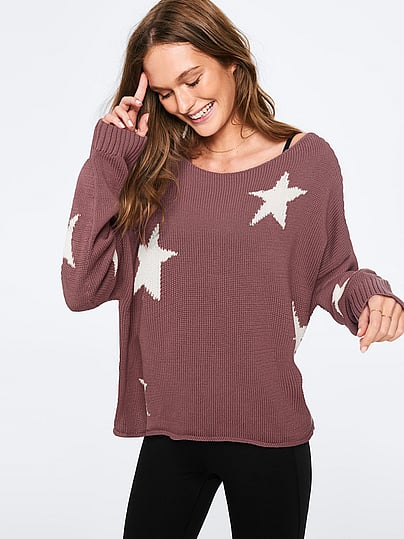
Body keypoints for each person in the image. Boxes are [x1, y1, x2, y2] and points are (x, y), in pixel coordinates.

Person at [61, 0, 404, 537]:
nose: (184, 104)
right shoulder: (152, 170)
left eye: (192, 79)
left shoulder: (307, 161)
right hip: (170, 433)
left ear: (232, 61)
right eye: (165, 92)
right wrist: (107, 156)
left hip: (269, 429)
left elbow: (334, 270)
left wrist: (373, 298)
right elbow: (81, 285)